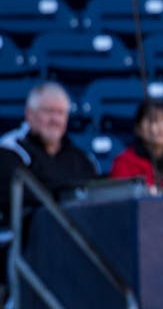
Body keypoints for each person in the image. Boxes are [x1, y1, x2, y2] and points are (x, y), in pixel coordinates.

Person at [0, 82, 98, 220]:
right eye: (48, 111)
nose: (55, 119)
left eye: (61, 113)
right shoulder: (10, 150)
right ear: (29, 114)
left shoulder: (82, 159)